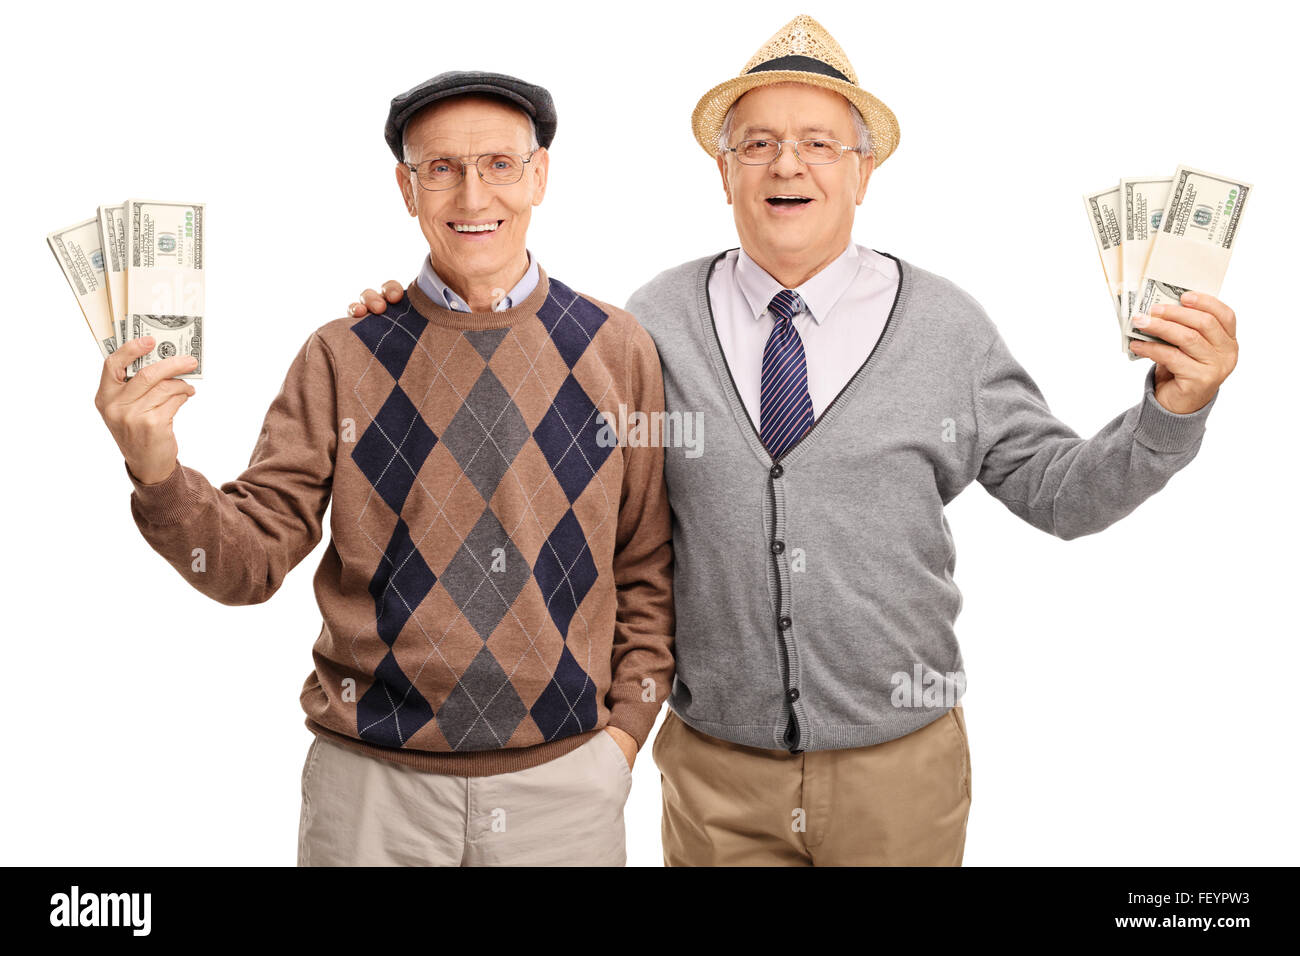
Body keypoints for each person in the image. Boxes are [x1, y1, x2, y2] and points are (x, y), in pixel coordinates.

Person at [350, 17, 1238, 866]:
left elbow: (1063, 494)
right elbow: (534, 423)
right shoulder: (650, 322)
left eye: (819, 143)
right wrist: (420, 323)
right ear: (723, 171)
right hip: (712, 776)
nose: (787, 164)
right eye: (757, 142)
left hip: (900, 771)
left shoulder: (947, 329)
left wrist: (1173, 408)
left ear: (864, 173)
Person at [97, 70, 675, 866]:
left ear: (540, 176)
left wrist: (623, 741)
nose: (472, 195)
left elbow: (647, 566)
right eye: (440, 169)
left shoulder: (618, 347)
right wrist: (156, 468)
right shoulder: (343, 354)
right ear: (407, 189)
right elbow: (249, 563)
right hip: (371, 792)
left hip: (564, 789)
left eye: (500, 165)